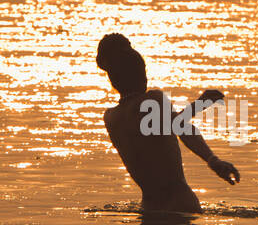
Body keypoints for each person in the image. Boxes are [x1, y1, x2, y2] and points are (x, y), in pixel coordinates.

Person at [96, 33, 240, 213]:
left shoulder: (111, 118)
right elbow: (178, 126)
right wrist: (213, 160)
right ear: (141, 75)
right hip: (180, 202)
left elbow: (162, 128)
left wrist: (196, 106)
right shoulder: (153, 100)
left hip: (149, 209)